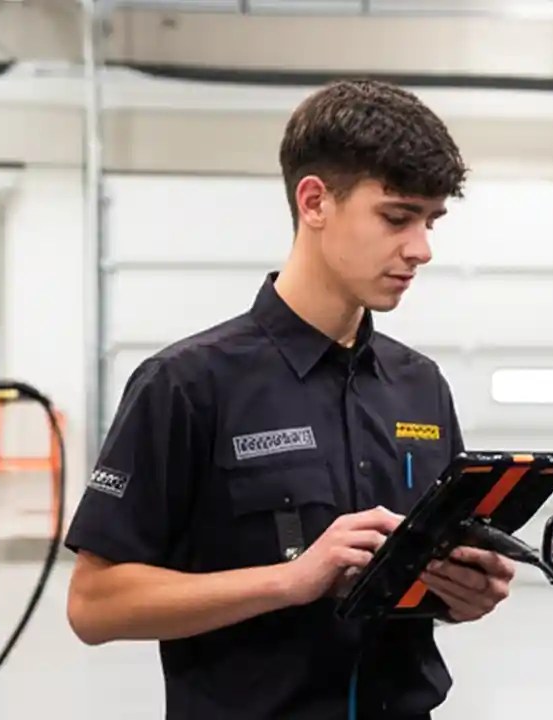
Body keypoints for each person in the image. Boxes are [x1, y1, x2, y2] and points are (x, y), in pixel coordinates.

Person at [63, 78, 517, 720]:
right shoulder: (187, 385)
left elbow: (431, 577)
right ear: (314, 201)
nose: (421, 249)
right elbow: (94, 605)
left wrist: (464, 593)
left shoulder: (420, 386)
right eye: (397, 217)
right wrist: (290, 581)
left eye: (430, 221)